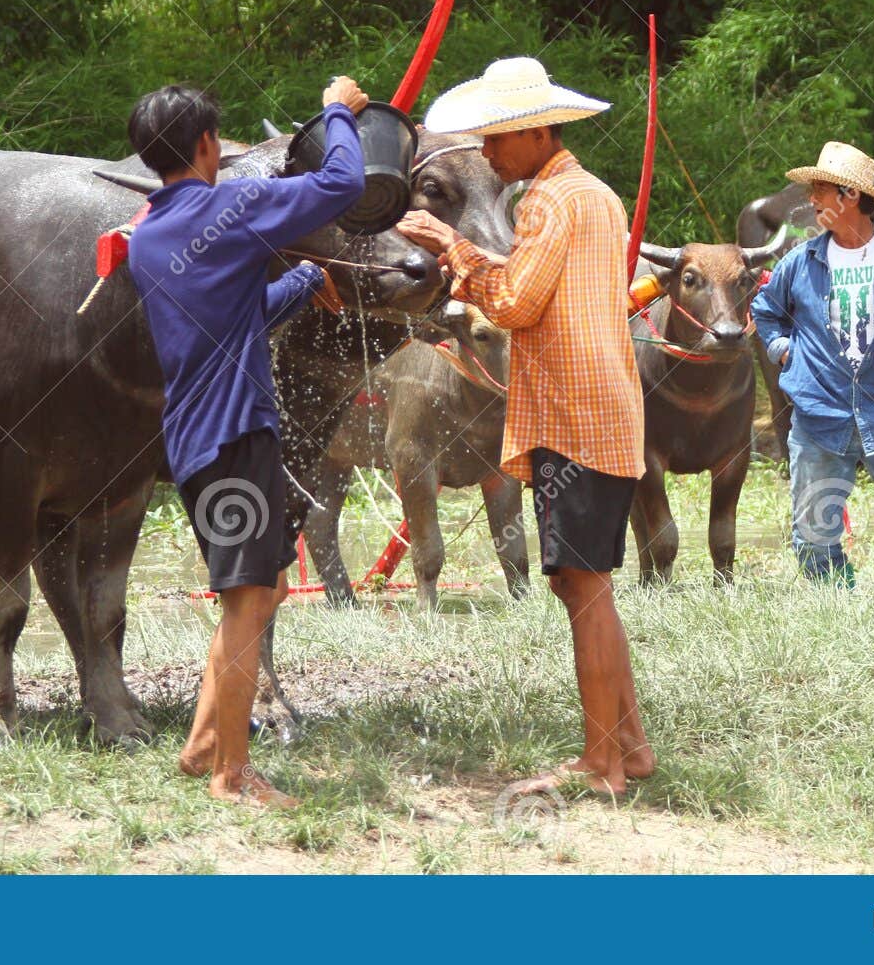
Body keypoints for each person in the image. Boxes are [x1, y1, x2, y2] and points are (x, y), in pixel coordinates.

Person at [395, 56, 652, 795]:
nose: (489, 157)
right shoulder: (592, 194)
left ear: (537, 132)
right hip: (602, 413)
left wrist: (452, 249)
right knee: (585, 587)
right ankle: (627, 747)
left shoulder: (548, 204)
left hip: (575, 421)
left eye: (498, 141)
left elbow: (511, 303)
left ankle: (601, 762)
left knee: (585, 587)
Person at [126, 77, 368, 808]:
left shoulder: (148, 236)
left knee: (260, 590)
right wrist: (339, 108)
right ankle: (234, 774)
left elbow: (231, 318)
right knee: (246, 601)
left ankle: (203, 744)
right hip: (234, 437)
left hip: (199, 443)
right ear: (208, 147)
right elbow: (344, 181)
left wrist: (300, 279)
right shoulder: (232, 205)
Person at [751, 142, 874, 582]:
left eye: (820, 190)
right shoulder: (800, 260)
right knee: (813, 535)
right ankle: (836, 605)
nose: (812, 200)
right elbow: (766, 310)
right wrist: (782, 349)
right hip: (818, 414)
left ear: (848, 196)